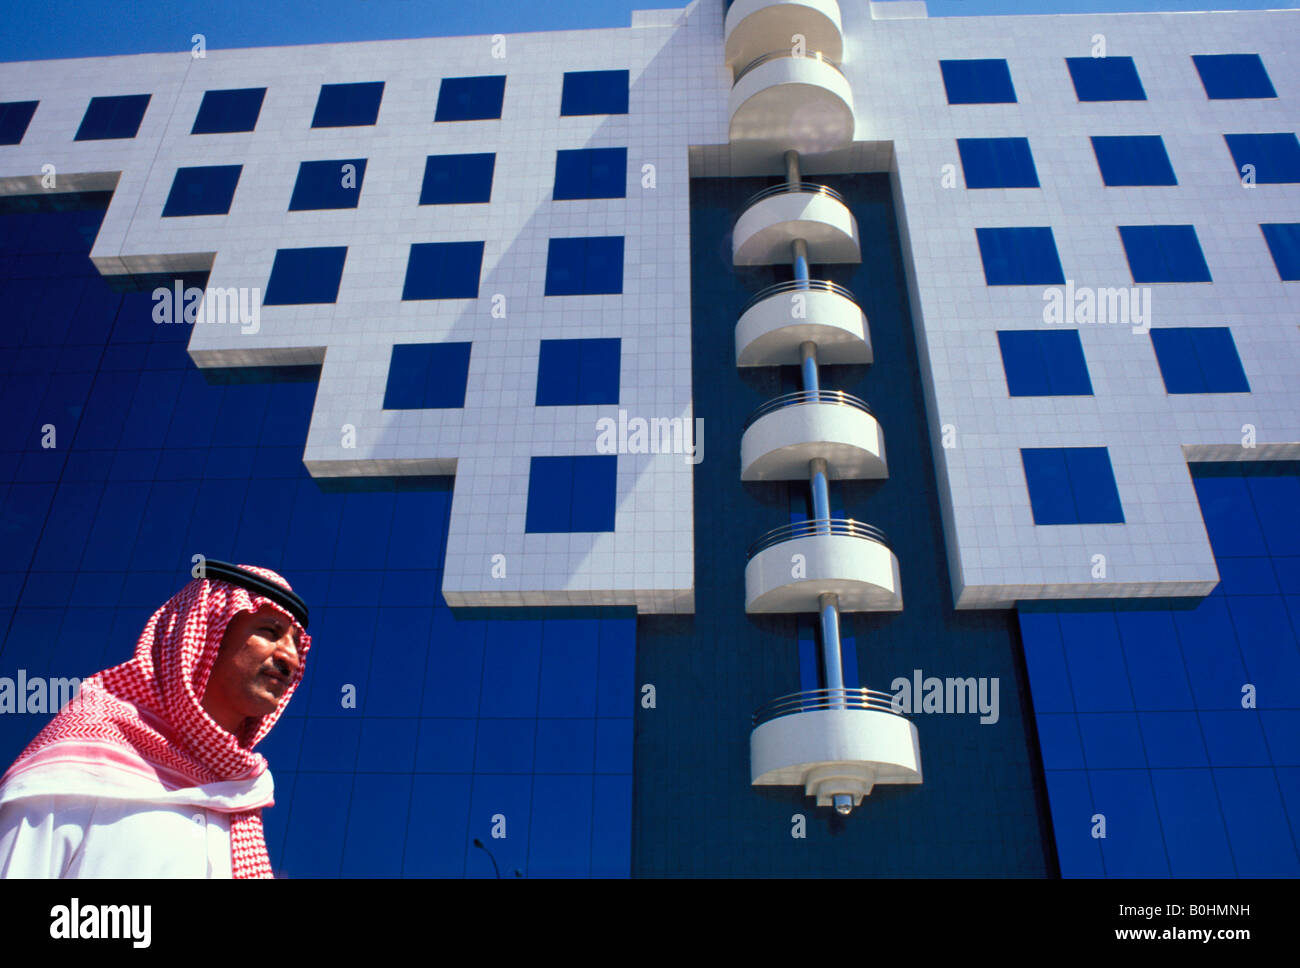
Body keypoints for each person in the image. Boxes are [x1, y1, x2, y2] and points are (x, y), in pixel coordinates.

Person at [0, 561, 311, 878]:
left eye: (297, 645)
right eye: (270, 632)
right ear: (207, 632)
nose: (290, 657)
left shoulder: (241, 796)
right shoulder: (76, 766)